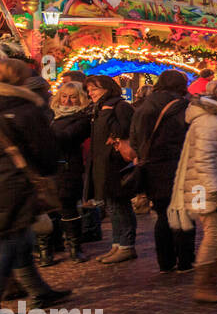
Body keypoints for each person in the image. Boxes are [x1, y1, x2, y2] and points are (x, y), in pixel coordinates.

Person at [169, 77, 217, 303]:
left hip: (215, 185)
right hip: (204, 188)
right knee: (214, 234)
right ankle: (204, 285)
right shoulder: (210, 121)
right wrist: (215, 192)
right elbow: (204, 160)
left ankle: (212, 281)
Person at [0, 58, 70, 308]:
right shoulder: (23, 107)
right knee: (11, 241)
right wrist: (49, 170)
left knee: (20, 239)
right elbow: (44, 149)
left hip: (7, 180)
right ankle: (37, 291)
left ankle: (39, 290)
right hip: (13, 183)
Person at [127, 70, 193, 276]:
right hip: (177, 165)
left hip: (152, 167)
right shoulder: (182, 107)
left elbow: (134, 138)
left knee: (162, 213)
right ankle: (185, 260)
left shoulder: (144, 106)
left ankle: (165, 262)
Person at [85, 75, 137, 263]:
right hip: (102, 162)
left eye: (94, 89)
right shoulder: (98, 108)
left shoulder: (118, 106)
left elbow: (125, 130)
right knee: (112, 205)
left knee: (120, 205)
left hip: (116, 163)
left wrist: (107, 116)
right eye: (89, 89)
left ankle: (126, 245)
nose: (90, 93)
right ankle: (116, 244)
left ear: (107, 88)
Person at [47, 80, 94, 264]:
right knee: (49, 208)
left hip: (68, 167)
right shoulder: (52, 115)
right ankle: (49, 248)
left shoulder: (82, 118)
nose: (66, 101)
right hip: (50, 166)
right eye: (64, 96)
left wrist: (41, 134)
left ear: (80, 99)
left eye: (72, 97)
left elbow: (67, 138)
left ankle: (75, 247)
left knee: (67, 206)